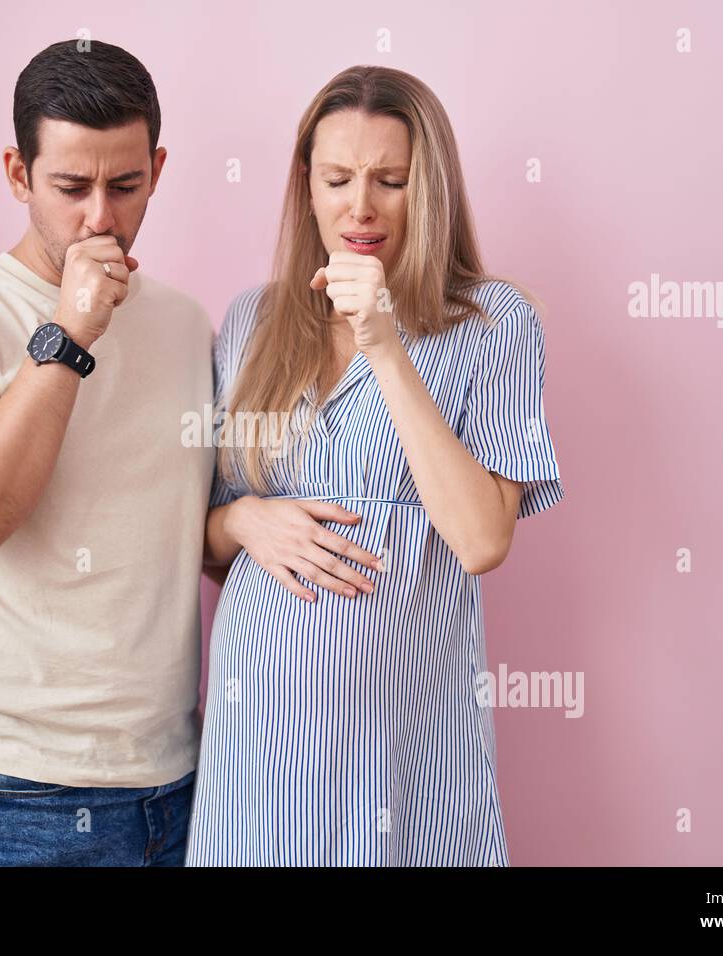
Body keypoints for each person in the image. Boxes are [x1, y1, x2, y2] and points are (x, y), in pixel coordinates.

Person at [185, 65, 566, 866]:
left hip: (401, 741)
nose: (361, 206)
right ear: (307, 186)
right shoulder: (250, 320)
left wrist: (386, 346)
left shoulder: (496, 323)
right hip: (256, 745)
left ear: (428, 189)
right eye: (338, 178)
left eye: (391, 180)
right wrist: (243, 518)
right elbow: (203, 539)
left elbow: (480, 540)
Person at [0, 39, 213, 866]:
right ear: (17, 173)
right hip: (14, 792)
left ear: (158, 170)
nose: (100, 216)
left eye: (125, 185)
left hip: (181, 780)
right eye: (70, 187)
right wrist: (67, 334)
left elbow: (186, 530)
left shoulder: (184, 325)